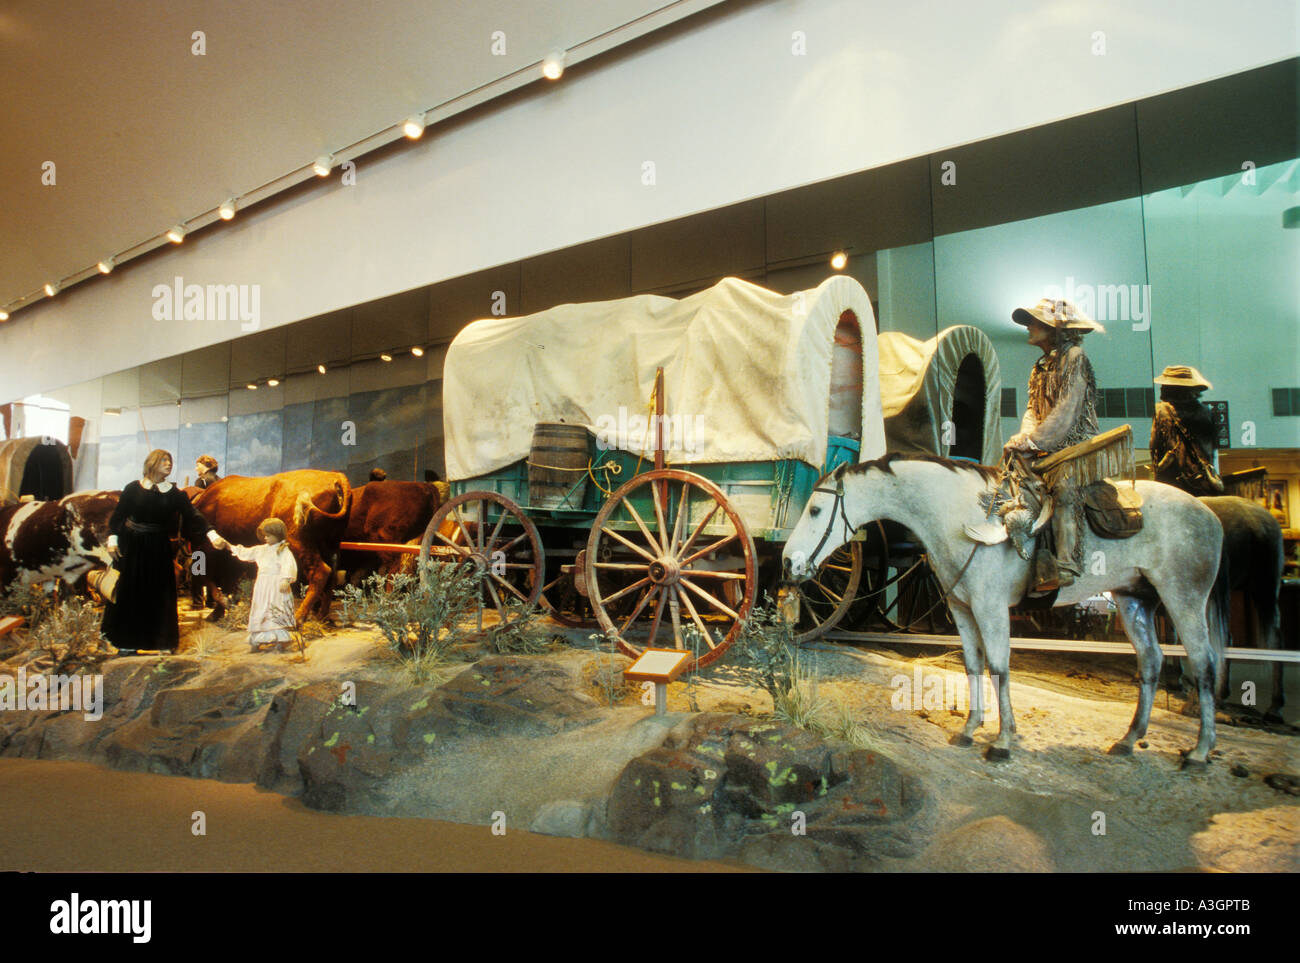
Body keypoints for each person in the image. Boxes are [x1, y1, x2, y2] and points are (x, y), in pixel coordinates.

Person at [1004, 297, 1105, 591]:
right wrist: (1022, 437)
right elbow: (1032, 410)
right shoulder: (1039, 366)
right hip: (1045, 444)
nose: (1029, 327)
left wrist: (1033, 440)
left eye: (1035, 322)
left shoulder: (1075, 357)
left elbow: (1067, 410)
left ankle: (1066, 563)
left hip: (1075, 444)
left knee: (1064, 489)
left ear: (1054, 328)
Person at [102, 449, 224, 654]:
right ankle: (127, 642)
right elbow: (118, 516)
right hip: (133, 546)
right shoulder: (133, 489)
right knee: (131, 593)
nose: (169, 464)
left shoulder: (175, 494)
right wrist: (112, 538)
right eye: (164, 460)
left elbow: (193, 514)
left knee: (161, 594)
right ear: (152, 463)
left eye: (170, 461)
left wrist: (211, 533)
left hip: (159, 547)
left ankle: (163, 642)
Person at [222, 518, 298, 651]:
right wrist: (228, 545)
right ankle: (256, 640)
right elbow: (244, 552)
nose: (265, 538)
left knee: (275, 609)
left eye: (269, 535)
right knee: (260, 608)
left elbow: (289, 565)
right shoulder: (260, 550)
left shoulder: (283, 550)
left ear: (278, 534)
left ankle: (279, 641)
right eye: (264, 535)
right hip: (262, 585)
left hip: (276, 586)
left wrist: (286, 579)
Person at [1149, 365, 1223, 496]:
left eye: (1164, 386)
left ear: (1173, 389)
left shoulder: (1160, 410)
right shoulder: (1206, 412)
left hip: (1171, 484)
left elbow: (1154, 447)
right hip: (1203, 482)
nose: (1161, 388)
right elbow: (1212, 451)